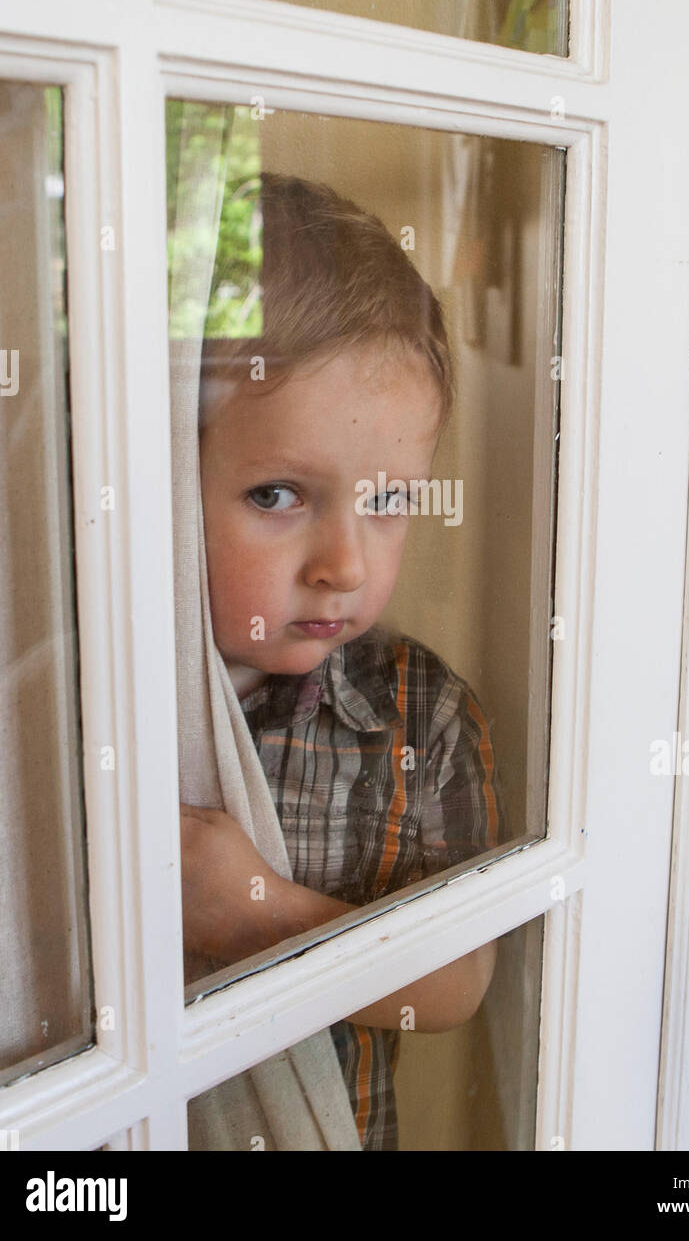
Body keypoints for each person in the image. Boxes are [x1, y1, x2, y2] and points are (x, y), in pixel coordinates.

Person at [180, 172, 508, 1150]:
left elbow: (454, 982)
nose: (344, 565)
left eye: (387, 500)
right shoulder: (82, 696)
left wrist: (252, 916)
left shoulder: (421, 712)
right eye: (278, 495)